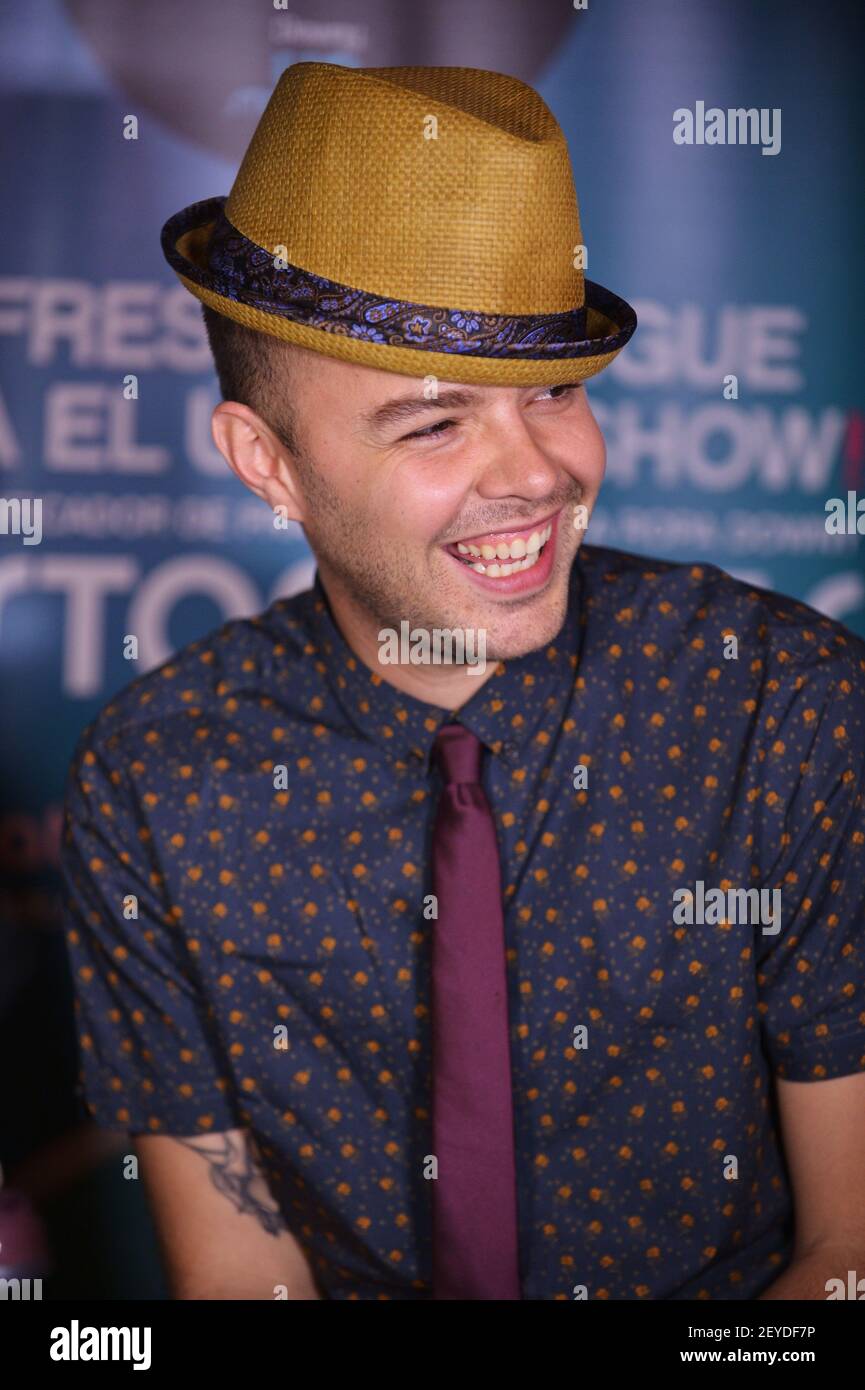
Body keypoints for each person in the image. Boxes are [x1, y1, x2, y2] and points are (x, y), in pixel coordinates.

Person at [61, 61, 865, 1301]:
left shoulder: (783, 707)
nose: (538, 474)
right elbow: (237, 1275)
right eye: (435, 424)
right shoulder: (162, 773)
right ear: (263, 459)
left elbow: (849, 1250)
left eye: (553, 391)